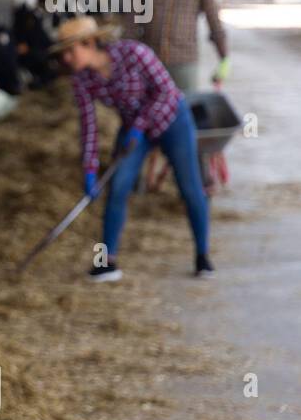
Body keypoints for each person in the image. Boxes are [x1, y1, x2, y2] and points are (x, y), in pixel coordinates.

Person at [51, 16, 213, 282]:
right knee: (117, 187)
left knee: (189, 187)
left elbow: (166, 91)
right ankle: (107, 262)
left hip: (172, 120)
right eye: (64, 53)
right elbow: (88, 126)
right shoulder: (82, 80)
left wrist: (139, 125)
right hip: (134, 130)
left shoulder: (135, 53)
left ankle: (203, 256)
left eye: (71, 50)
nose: (67, 58)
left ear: (90, 42)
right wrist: (89, 169)